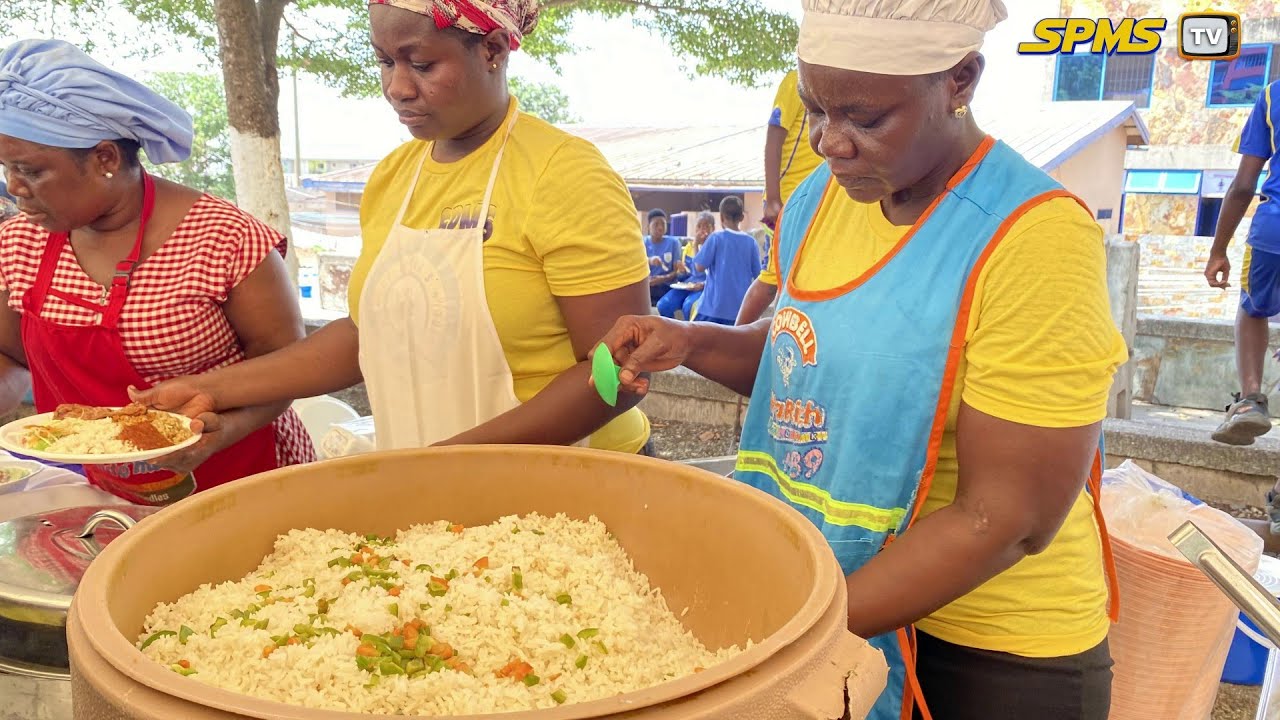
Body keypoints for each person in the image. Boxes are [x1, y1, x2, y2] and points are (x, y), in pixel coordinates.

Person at [594, 1, 1126, 717]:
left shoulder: (1036, 239)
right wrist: (690, 342)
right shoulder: (820, 199)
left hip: (990, 649)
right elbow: (804, 362)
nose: (827, 142)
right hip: (840, 596)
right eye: (814, 109)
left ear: (961, 80)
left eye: (864, 118)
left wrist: (792, 625)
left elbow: (1006, 518)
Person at [134, 0, 654, 456]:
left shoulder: (563, 173)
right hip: (431, 482)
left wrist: (437, 465)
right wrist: (210, 388)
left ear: (493, 48)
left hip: (572, 476)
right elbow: (367, 334)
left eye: (422, 63)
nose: (397, 88)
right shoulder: (394, 177)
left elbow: (618, 374)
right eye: (385, 61)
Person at [0, 39, 314, 505]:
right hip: (104, 490)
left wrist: (225, 428)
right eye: (6, 168)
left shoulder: (223, 237)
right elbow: (12, 358)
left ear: (105, 158)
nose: (14, 188)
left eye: (31, 170)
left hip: (240, 476)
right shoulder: (18, 241)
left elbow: (290, 367)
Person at [1205, 78, 1279, 448]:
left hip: (1273, 231)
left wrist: (1219, 249)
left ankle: (1251, 400)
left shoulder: (1272, 94)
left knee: (1253, 309)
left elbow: (1244, 184)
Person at [737, 68, 827, 325]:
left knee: (797, 275)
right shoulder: (796, 81)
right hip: (788, 200)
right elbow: (774, 136)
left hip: (816, 198)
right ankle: (735, 337)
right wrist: (774, 198)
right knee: (772, 279)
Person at [690, 197, 761, 325]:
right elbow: (758, 277)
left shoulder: (716, 238)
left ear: (721, 218)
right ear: (742, 217)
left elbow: (699, 268)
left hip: (712, 309)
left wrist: (696, 245)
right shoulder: (751, 243)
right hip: (740, 311)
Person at [657, 211, 713, 320]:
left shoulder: (714, 248)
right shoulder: (688, 248)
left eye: (706, 226)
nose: (702, 230)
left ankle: (688, 335)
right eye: (699, 226)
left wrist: (703, 284)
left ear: (713, 229)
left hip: (704, 288)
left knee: (688, 306)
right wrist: (682, 272)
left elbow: (712, 274)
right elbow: (684, 276)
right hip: (687, 286)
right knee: (663, 305)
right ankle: (672, 334)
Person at [644, 208, 682, 305]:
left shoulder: (674, 243)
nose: (660, 227)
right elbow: (635, 265)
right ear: (648, 227)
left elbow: (676, 272)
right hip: (646, 286)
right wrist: (649, 260)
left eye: (663, 224)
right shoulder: (643, 243)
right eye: (656, 224)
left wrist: (662, 278)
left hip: (666, 286)